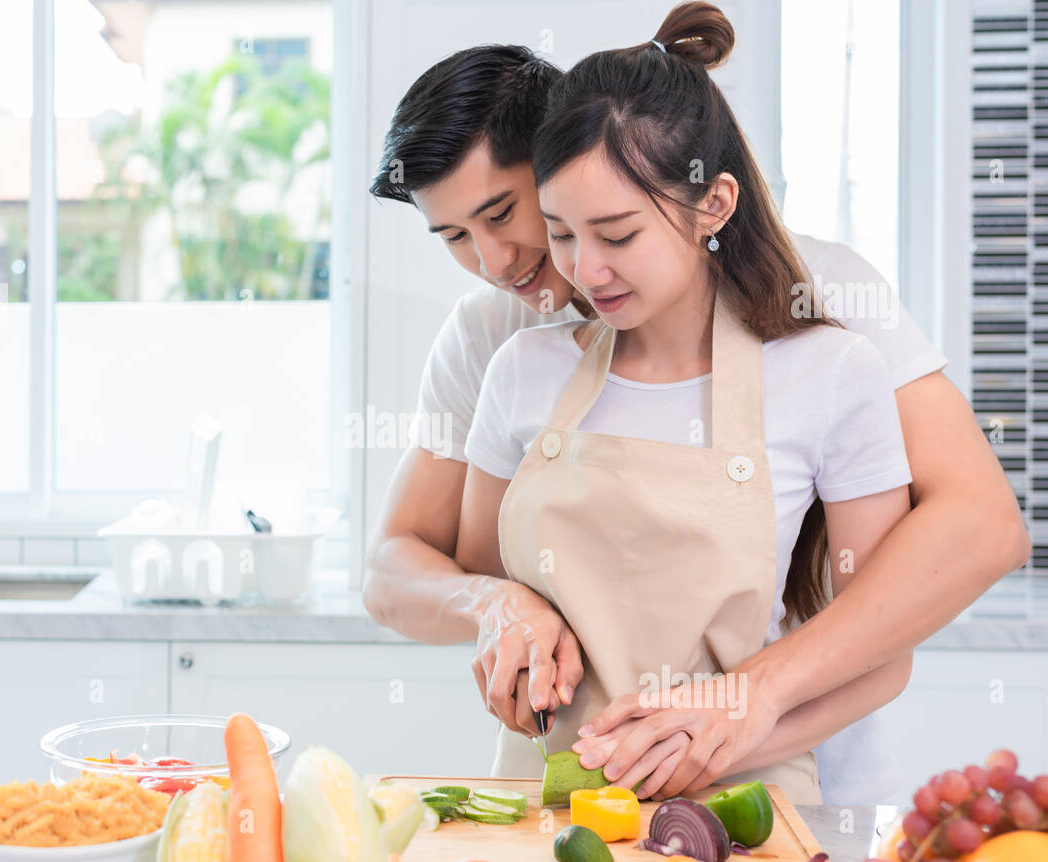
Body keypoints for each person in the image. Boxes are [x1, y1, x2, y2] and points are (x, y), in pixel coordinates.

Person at [362, 6, 1031, 806]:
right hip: (580, 792)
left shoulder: (820, 309)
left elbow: (982, 524)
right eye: (453, 236)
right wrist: (496, 605)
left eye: (505, 213)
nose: (493, 261)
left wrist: (744, 705)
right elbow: (408, 566)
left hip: (792, 771)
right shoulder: (502, 346)